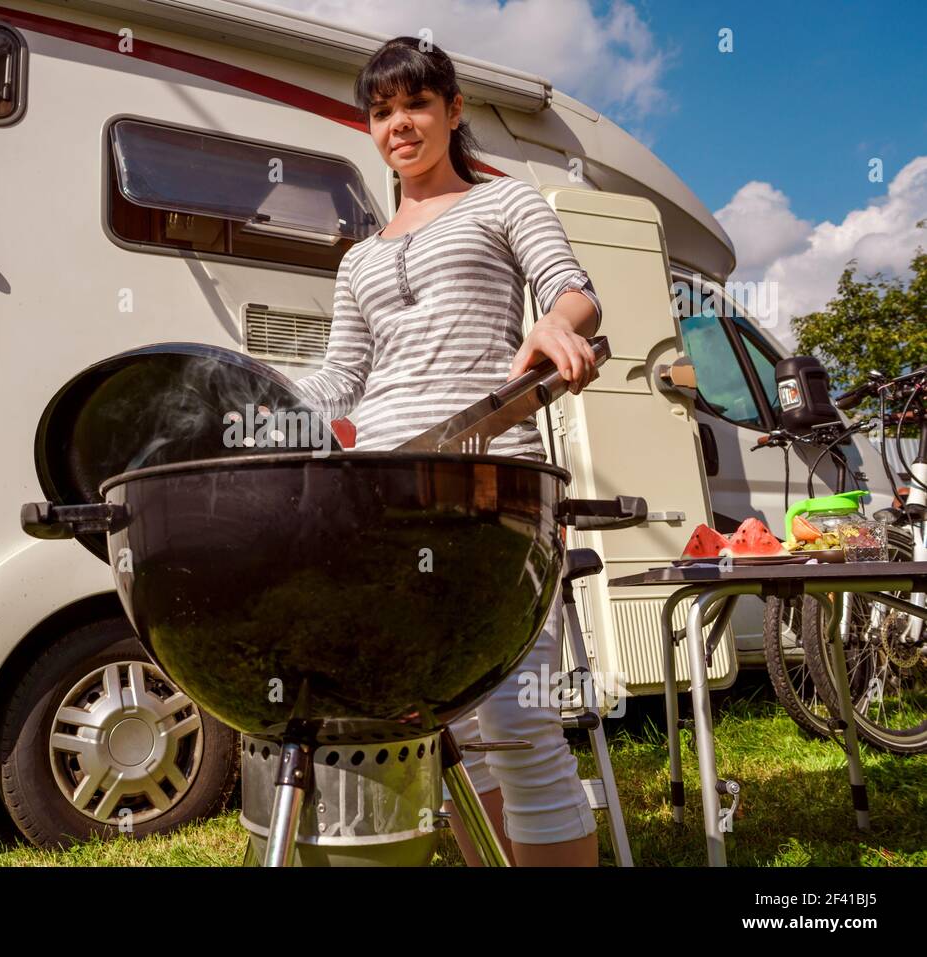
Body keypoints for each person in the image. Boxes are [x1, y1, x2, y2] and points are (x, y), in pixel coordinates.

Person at [289, 37, 602, 866]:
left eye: (416, 105)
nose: (400, 124)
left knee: (519, 717)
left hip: (489, 482)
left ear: (453, 111)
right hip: (382, 497)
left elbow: (576, 292)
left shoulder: (507, 204)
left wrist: (554, 325)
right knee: (442, 720)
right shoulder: (358, 256)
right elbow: (343, 377)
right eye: (383, 111)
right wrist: (264, 400)